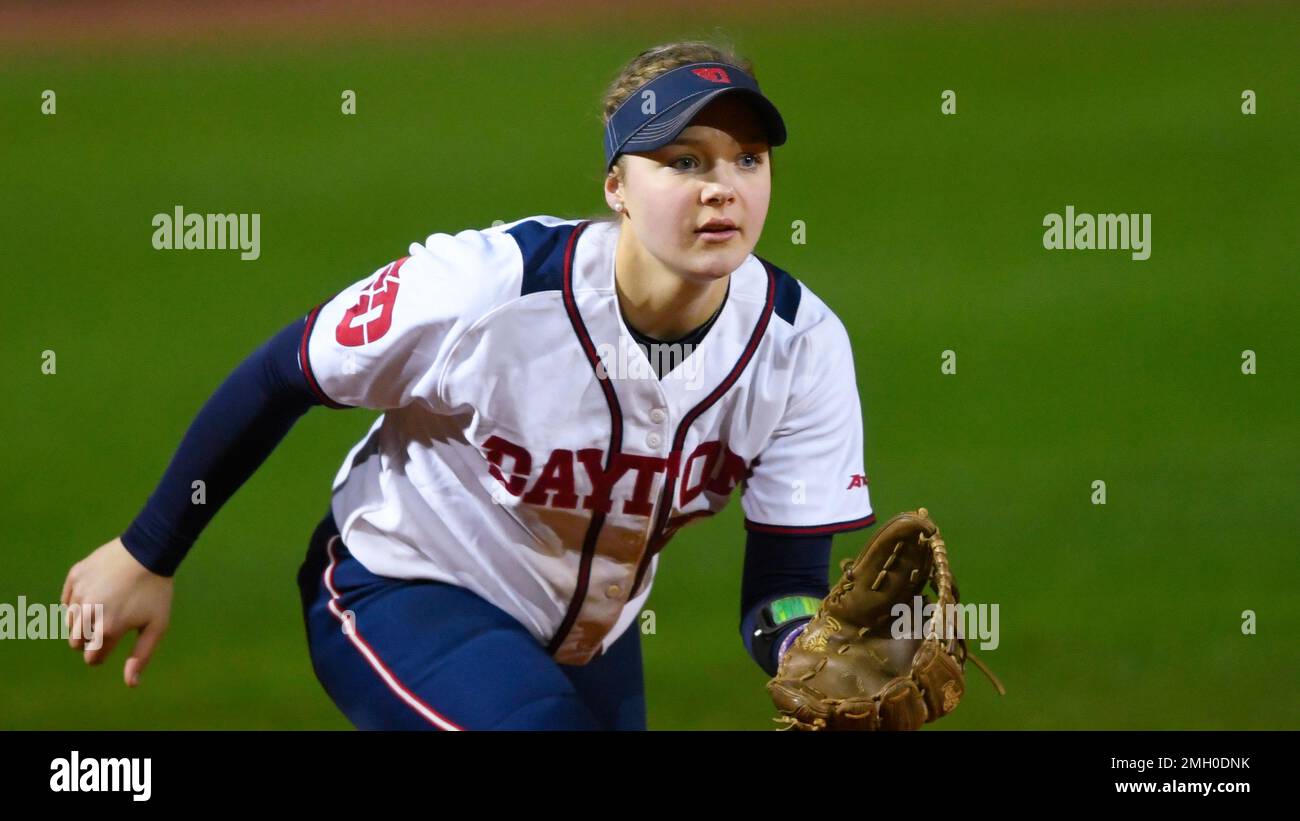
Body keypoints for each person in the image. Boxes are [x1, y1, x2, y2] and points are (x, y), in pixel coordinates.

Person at [60, 40, 876, 730]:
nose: (720, 185)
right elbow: (288, 370)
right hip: (403, 583)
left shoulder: (802, 346)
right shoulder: (485, 288)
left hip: (593, 634)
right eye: (682, 159)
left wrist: (809, 648)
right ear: (615, 188)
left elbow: (783, 586)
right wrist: (147, 553)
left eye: (748, 158)